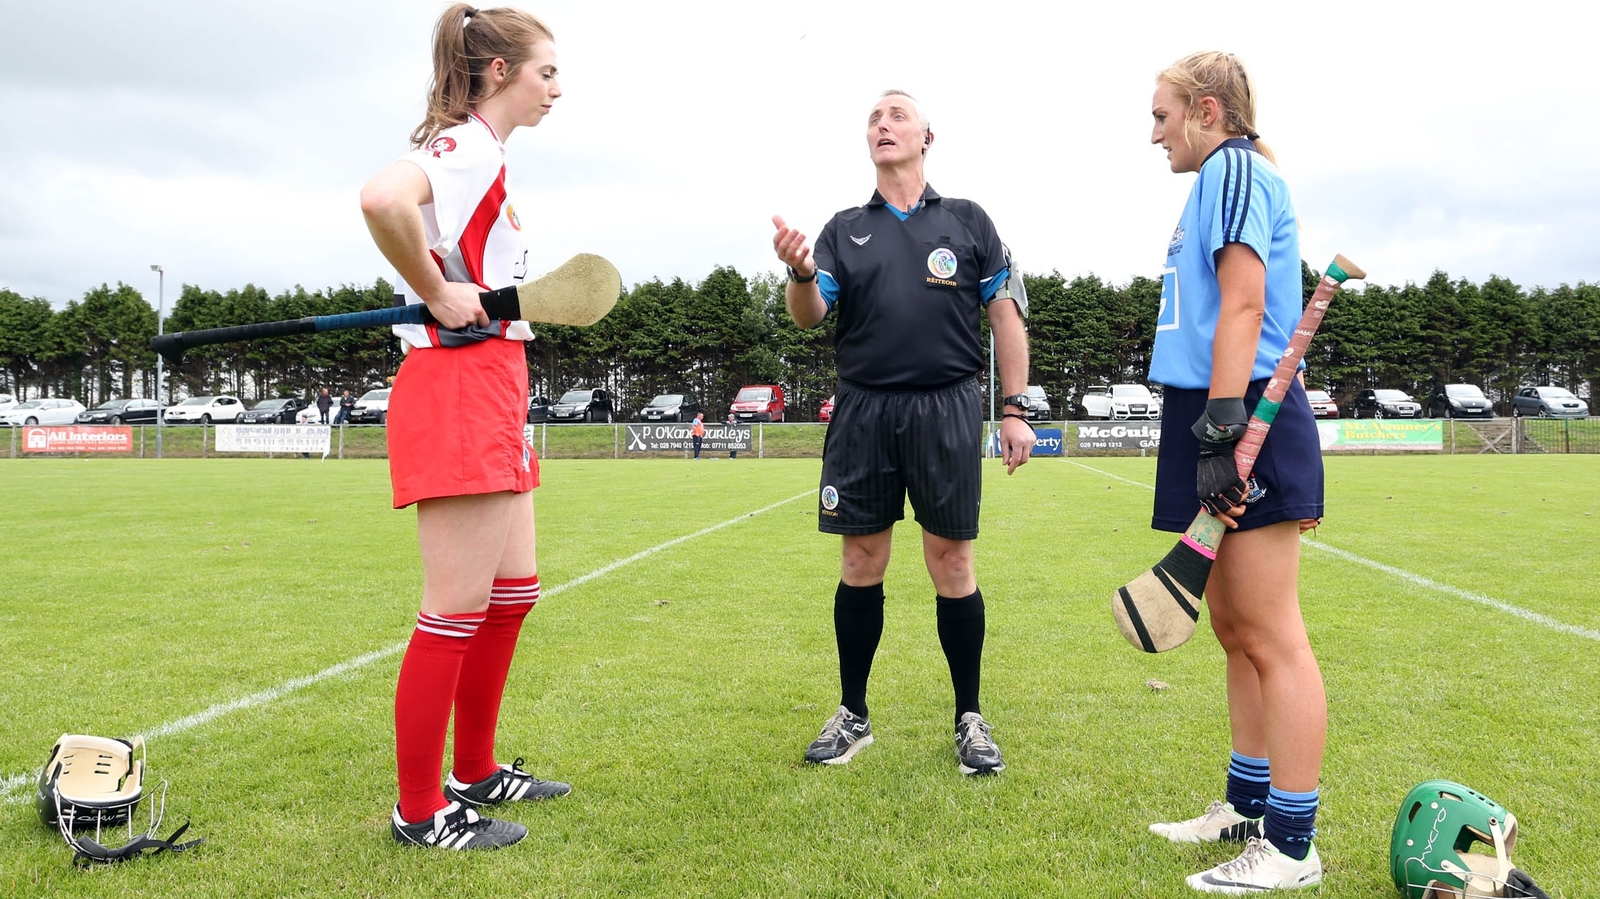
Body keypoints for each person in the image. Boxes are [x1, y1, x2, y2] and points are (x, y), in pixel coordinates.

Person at [771, 90, 1034, 776]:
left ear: (927, 136)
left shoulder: (969, 221)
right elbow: (808, 314)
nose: (882, 124)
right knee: (861, 560)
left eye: (896, 115)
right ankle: (853, 712)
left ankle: (969, 716)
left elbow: (1007, 318)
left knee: (952, 561)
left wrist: (1015, 408)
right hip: (863, 409)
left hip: (946, 406)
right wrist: (800, 271)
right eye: (873, 118)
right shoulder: (844, 227)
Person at [359, 3, 568, 852]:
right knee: (453, 606)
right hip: (457, 382)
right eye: (546, 71)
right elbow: (381, 198)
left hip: (495, 377)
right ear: (499, 73)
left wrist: (456, 286)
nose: (558, 88)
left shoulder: (492, 157)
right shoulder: (468, 143)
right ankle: (420, 811)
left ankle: (474, 770)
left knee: (512, 591)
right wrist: (434, 287)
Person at [1143, 52, 1326, 892]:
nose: (1154, 134)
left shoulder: (1236, 168)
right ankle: (1245, 806)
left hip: (1244, 410)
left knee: (1270, 631)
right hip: (1210, 410)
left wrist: (1223, 423)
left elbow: (1247, 302)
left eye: (1161, 115)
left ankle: (1291, 843)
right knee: (1232, 628)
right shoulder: (1214, 177)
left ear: (1206, 110)